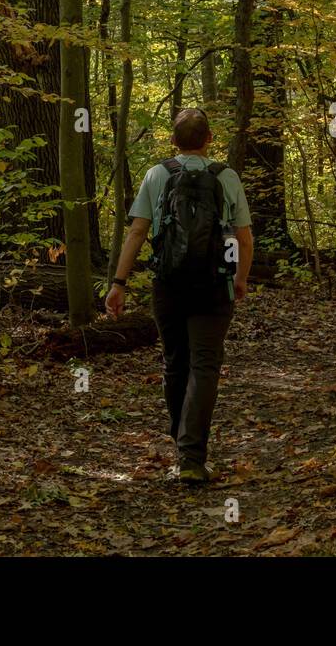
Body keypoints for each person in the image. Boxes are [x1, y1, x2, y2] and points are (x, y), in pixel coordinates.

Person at [105, 108, 253, 484]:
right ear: (208, 140)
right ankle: (191, 455)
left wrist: (118, 282)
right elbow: (242, 236)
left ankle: (181, 441)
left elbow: (138, 231)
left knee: (175, 363)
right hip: (213, 284)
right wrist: (238, 277)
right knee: (204, 367)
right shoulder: (226, 176)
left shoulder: (157, 174)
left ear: (173, 141)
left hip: (168, 284)